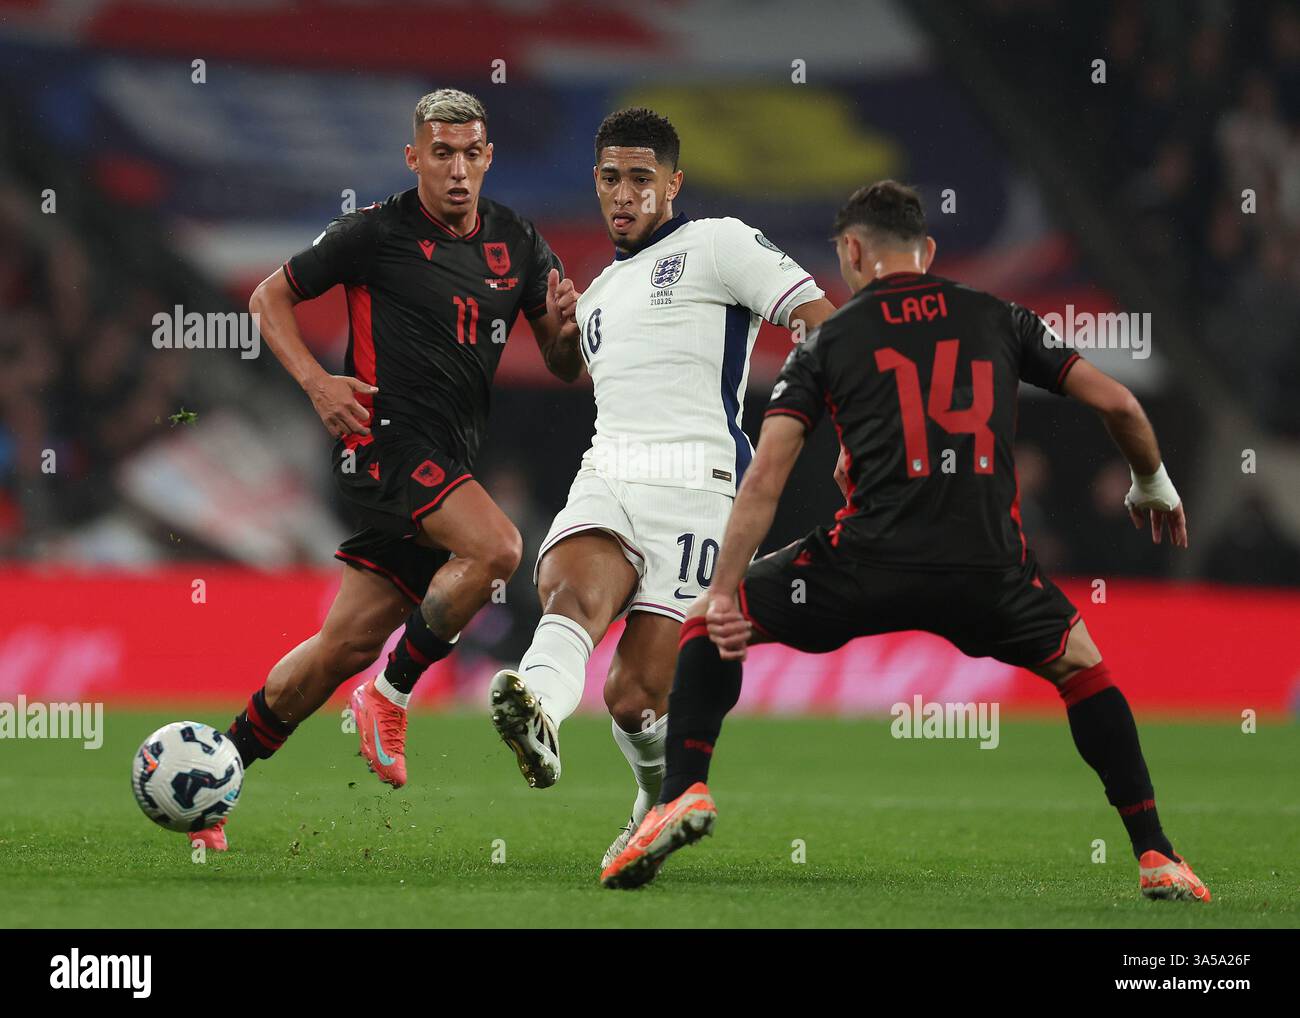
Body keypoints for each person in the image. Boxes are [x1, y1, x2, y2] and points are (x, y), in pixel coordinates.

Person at [602, 181, 1209, 904]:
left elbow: (765, 476)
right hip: (990, 570)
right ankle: (1157, 856)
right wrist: (1152, 482)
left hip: (862, 563)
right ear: (927, 251)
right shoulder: (999, 317)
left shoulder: (829, 341)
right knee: (1083, 668)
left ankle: (685, 791)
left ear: (852, 252)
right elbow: (1121, 403)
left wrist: (727, 586)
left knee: (710, 623)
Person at [194, 89, 581, 852]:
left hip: (446, 466)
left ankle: (216, 776)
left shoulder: (520, 244)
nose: (458, 170)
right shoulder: (373, 232)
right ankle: (391, 694)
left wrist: (569, 335)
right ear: (415, 158)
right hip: (383, 445)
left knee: (339, 646)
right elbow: (270, 297)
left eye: (471, 153)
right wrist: (316, 384)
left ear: (489, 156)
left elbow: (565, 366)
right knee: (500, 548)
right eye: (442, 154)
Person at [486, 107, 836, 868]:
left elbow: (821, 323)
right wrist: (555, 334)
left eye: (642, 178)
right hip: (610, 469)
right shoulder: (603, 288)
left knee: (635, 697)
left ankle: (654, 802)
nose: (624, 193)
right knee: (568, 586)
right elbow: (570, 369)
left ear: (673, 183)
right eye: (611, 177)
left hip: (701, 487)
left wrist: (824, 415)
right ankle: (539, 708)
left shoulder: (719, 243)